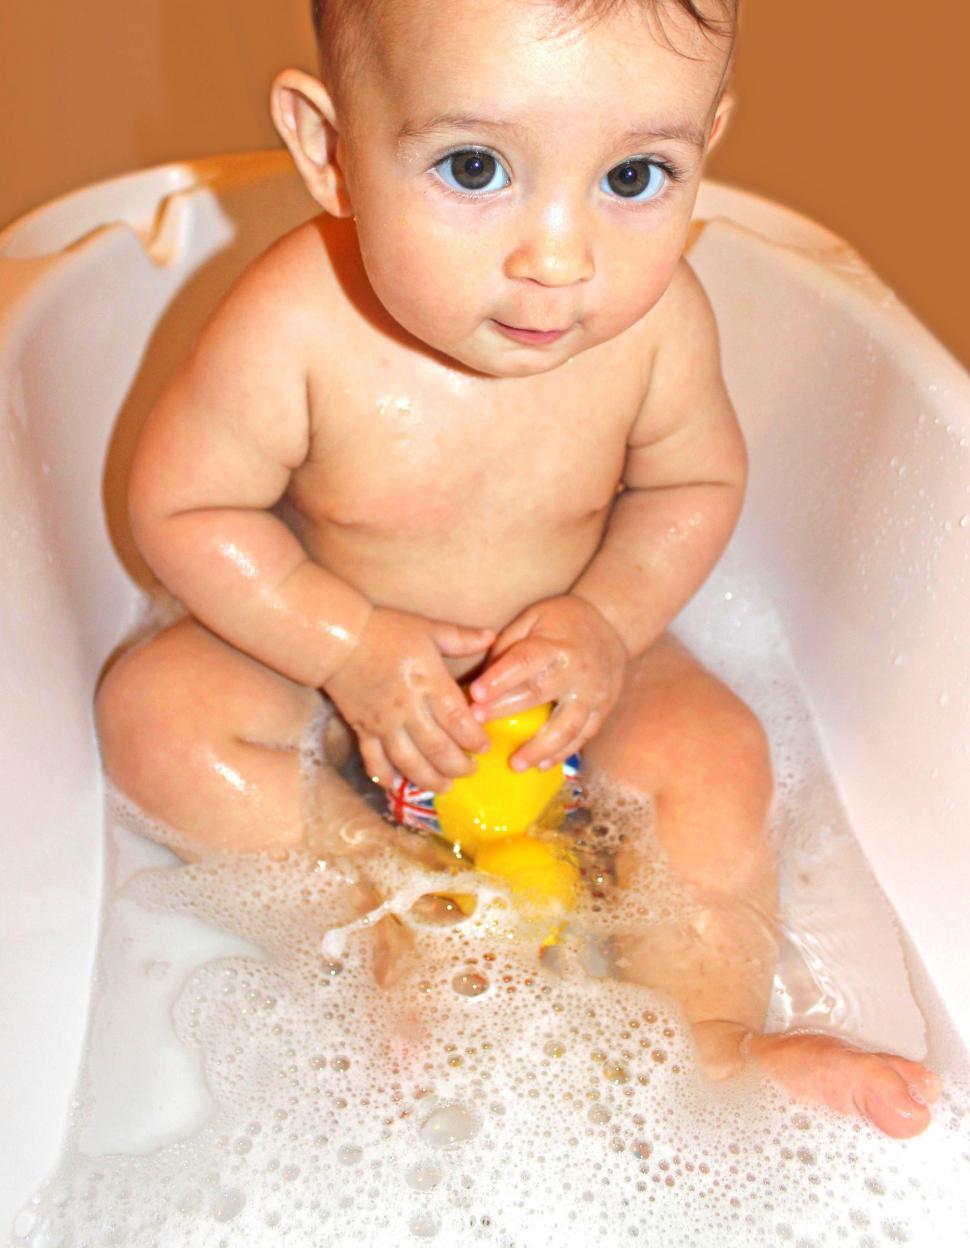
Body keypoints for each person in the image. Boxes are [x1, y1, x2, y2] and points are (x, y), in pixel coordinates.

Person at [95, 0, 940, 1136]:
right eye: (475, 165)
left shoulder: (656, 327)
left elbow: (689, 492)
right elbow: (185, 507)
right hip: (337, 677)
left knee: (716, 751)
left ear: (708, 143)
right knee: (158, 715)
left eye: (634, 177)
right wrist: (342, 644)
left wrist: (603, 621)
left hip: (573, 675)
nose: (560, 257)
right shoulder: (294, 325)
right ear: (329, 150)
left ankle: (704, 1032)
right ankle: (391, 904)